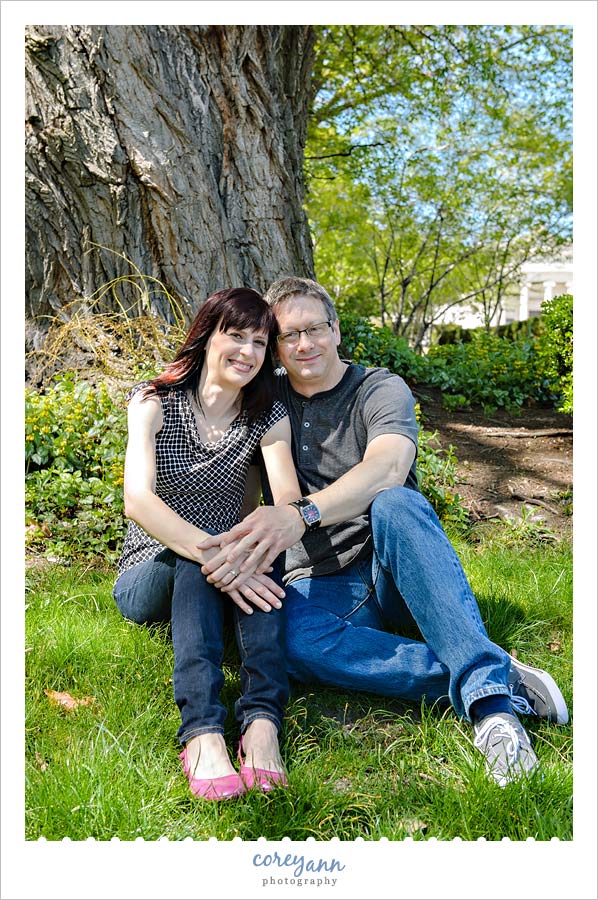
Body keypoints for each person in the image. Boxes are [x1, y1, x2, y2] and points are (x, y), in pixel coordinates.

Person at [199, 276, 569, 788]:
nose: (304, 344)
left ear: (336, 331)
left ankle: (492, 712)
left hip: (396, 564)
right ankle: (494, 673)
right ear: (275, 346)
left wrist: (299, 514)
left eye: (315, 329)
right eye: (289, 336)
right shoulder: (267, 399)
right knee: (283, 640)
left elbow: (388, 468)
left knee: (396, 503)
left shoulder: (379, 387)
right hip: (321, 577)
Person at [113, 287, 302, 800]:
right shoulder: (154, 401)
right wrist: (215, 552)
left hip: (232, 564)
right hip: (152, 570)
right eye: (235, 335)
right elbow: (138, 500)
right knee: (195, 562)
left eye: (260, 342)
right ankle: (202, 732)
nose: (247, 351)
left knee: (266, 542)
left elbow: (286, 498)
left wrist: (251, 546)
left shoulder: (265, 414)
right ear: (207, 336)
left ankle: (262, 724)